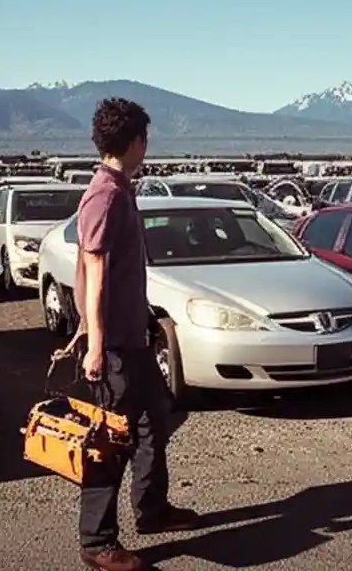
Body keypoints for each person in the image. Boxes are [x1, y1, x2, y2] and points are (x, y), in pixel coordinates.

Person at [74, 97, 199, 571]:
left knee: (154, 423)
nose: (147, 148)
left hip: (134, 338)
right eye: (145, 140)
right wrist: (96, 344)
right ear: (134, 142)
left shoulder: (119, 189)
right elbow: (94, 270)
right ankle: (97, 542)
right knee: (109, 443)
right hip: (114, 349)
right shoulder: (104, 195)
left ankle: (153, 509)